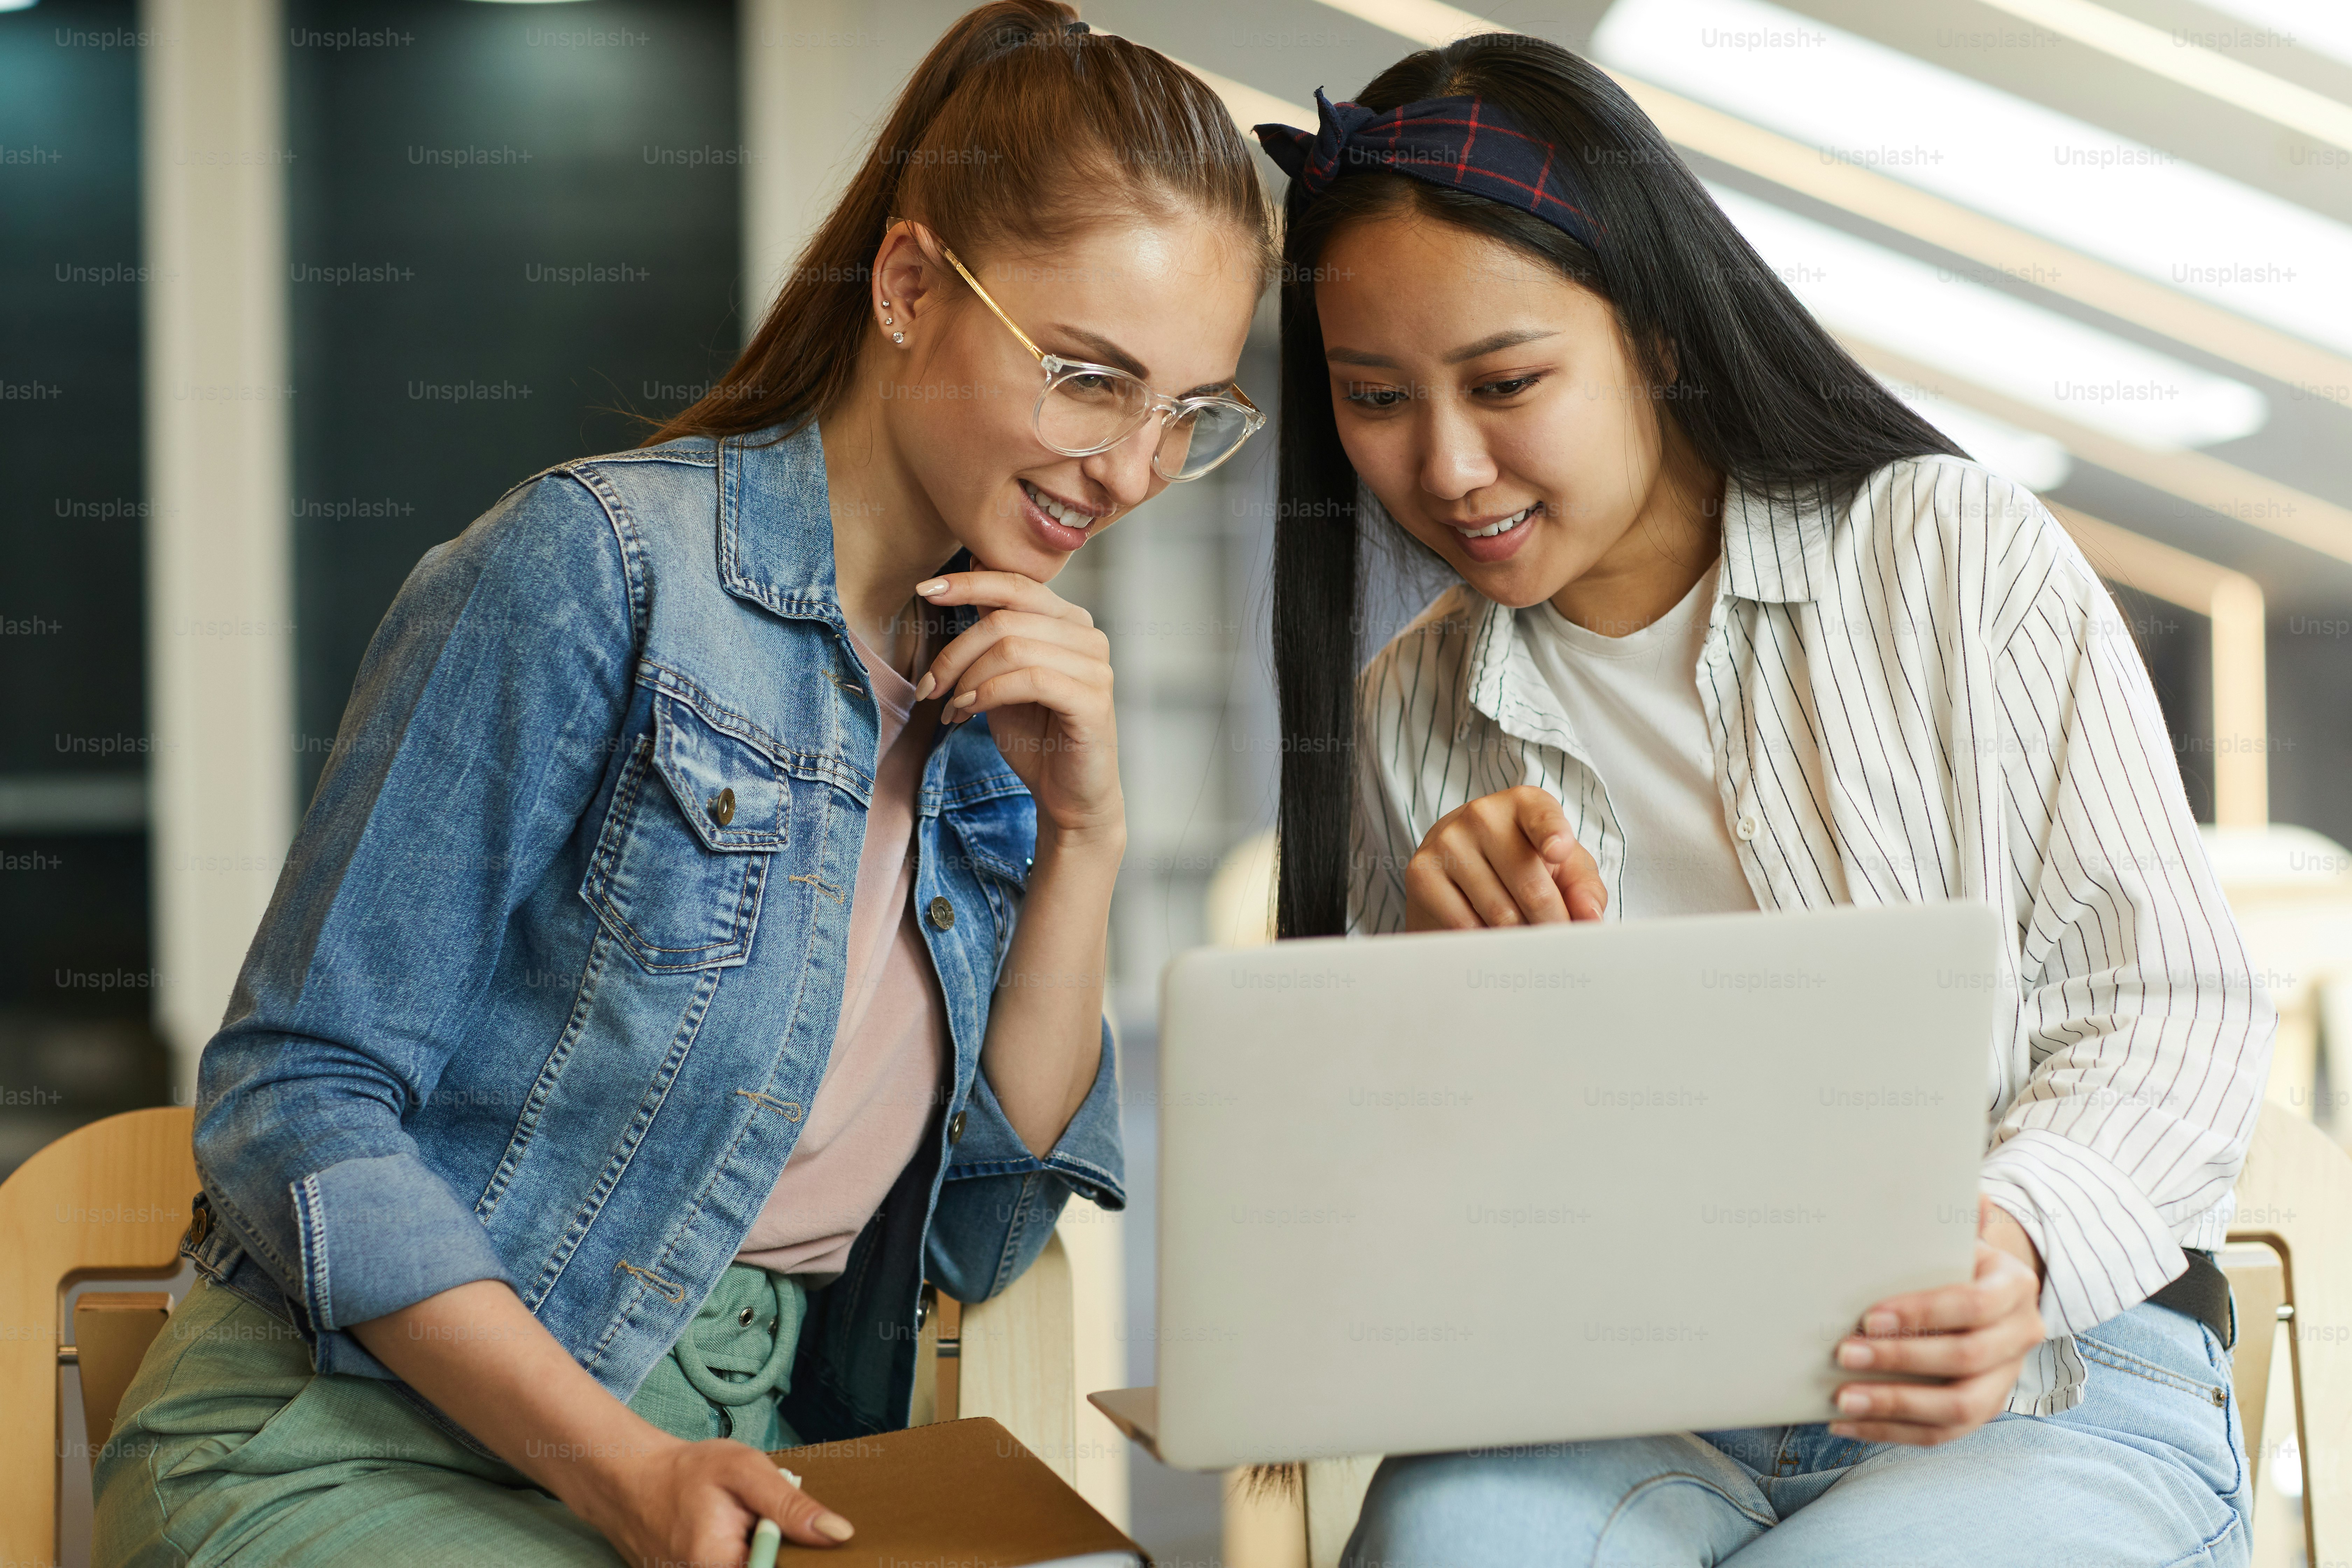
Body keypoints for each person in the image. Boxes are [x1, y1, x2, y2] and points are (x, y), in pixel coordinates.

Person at [93, 6, 1272, 1564]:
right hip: (354, 1437)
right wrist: (620, 1471)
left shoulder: (1005, 699)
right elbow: (292, 1098)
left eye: (1186, 414)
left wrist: (1085, 836)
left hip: (744, 1456)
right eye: (1089, 378)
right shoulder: (596, 574)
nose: (1130, 468)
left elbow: (985, 1237)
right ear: (910, 288)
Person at [1256, 34, 2272, 1568]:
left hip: (2048, 1383)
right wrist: (1437, 996)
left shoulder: (1950, 555)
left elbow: (2172, 1006)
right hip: (1629, 1401)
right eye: (1377, 396)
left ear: (1660, 333)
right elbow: (1442, 1229)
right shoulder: (1414, 704)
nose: (1448, 464)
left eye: (1508, 380)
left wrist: (2009, 1244)